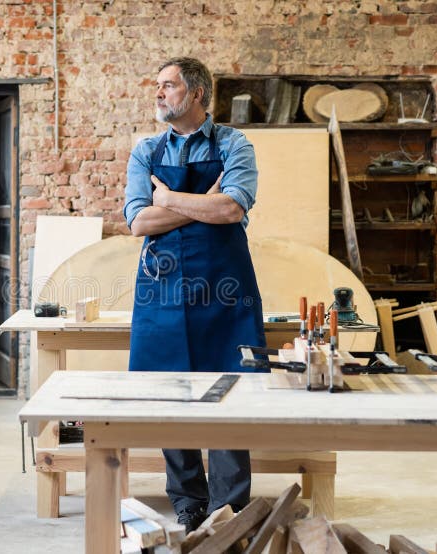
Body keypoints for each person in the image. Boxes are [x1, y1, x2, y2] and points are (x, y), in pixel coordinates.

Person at [123, 57, 266, 533]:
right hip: (161, 290)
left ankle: (229, 508)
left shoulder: (233, 144)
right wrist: (199, 203)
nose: (159, 93)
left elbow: (231, 208)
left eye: (169, 85)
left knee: (233, 393)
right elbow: (138, 221)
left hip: (226, 291)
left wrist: (165, 198)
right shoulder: (145, 150)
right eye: (157, 85)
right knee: (169, 396)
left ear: (198, 93)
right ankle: (188, 502)